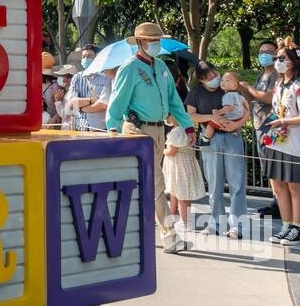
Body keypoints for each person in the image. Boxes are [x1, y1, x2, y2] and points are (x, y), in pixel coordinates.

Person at [105, 22, 195, 251]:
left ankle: (128, 232)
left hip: (158, 130)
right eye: (152, 40)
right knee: (156, 183)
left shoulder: (163, 67)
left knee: (143, 185)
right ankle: (170, 237)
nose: (156, 44)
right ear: (141, 42)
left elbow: (174, 100)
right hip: (136, 131)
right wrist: (112, 127)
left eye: (158, 40)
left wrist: (188, 126)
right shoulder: (130, 67)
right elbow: (117, 100)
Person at [185, 61, 250, 238]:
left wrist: (236, 124)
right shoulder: (196, 92)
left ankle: (238, 226)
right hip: (210, 138)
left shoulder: (228, 86)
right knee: (214, 184)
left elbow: (246, 111)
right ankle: (216, 223)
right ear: (201, 80)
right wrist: (212, 117)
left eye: (214, 74)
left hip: (232, 136)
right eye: (208, 78)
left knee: (237, 183)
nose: (214, 79)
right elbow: (191, 115)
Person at [263, 38, 300, 245]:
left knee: (295, 187)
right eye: (276, 58)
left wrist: (283, 121)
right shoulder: (279, 84)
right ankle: (286, 225)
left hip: (296, 144)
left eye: (281, 58)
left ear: (293, 61)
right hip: (278, 141)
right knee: (279, 186)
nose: (277, 61)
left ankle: (297, 228)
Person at [238, 39, 282, 214]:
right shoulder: (261, 76)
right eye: (262, 51)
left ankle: (281, 205)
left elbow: (268, 97)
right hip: (259, 125)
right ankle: (276, 202)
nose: (265, 55)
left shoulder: (276, 76)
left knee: (275, 166)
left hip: (272, 127)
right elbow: (252, 99)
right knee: (268, 167)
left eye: (269, 52)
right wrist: (242, 91)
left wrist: (248, 87)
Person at [162, 119, 205, 253]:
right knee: (180, 193)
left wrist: (160, 150)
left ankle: (185, 222)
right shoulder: (186, 129)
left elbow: (171, 151)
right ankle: (179, 217)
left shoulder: (178, 131)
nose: (167, 119)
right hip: (185, 163)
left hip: (179, 165)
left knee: (181, 194)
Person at [65, 45, 109, 132]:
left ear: (97, 58)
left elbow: (103, 105)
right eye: (83, 57)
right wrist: (92, 100)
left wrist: (81, 108)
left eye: (89, 56)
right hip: (80, 128)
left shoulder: (106, 78)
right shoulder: (77, 77)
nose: (85, 59)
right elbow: (71, 103)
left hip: (99, 130)